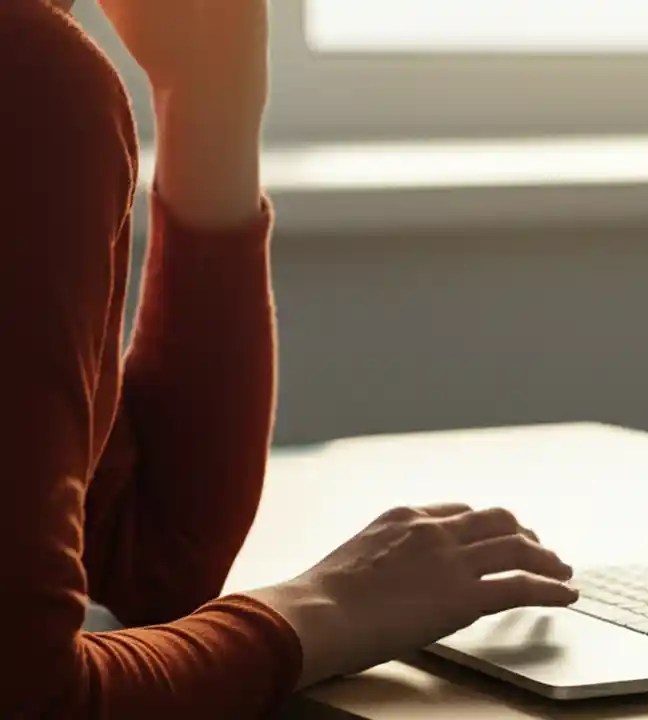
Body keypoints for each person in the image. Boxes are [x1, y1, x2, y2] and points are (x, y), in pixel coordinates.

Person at [0, 1, 579, 717]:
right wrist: (330, 606)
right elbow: (34, 695)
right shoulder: (26, 74)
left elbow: (145, 552)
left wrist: (210, 90)